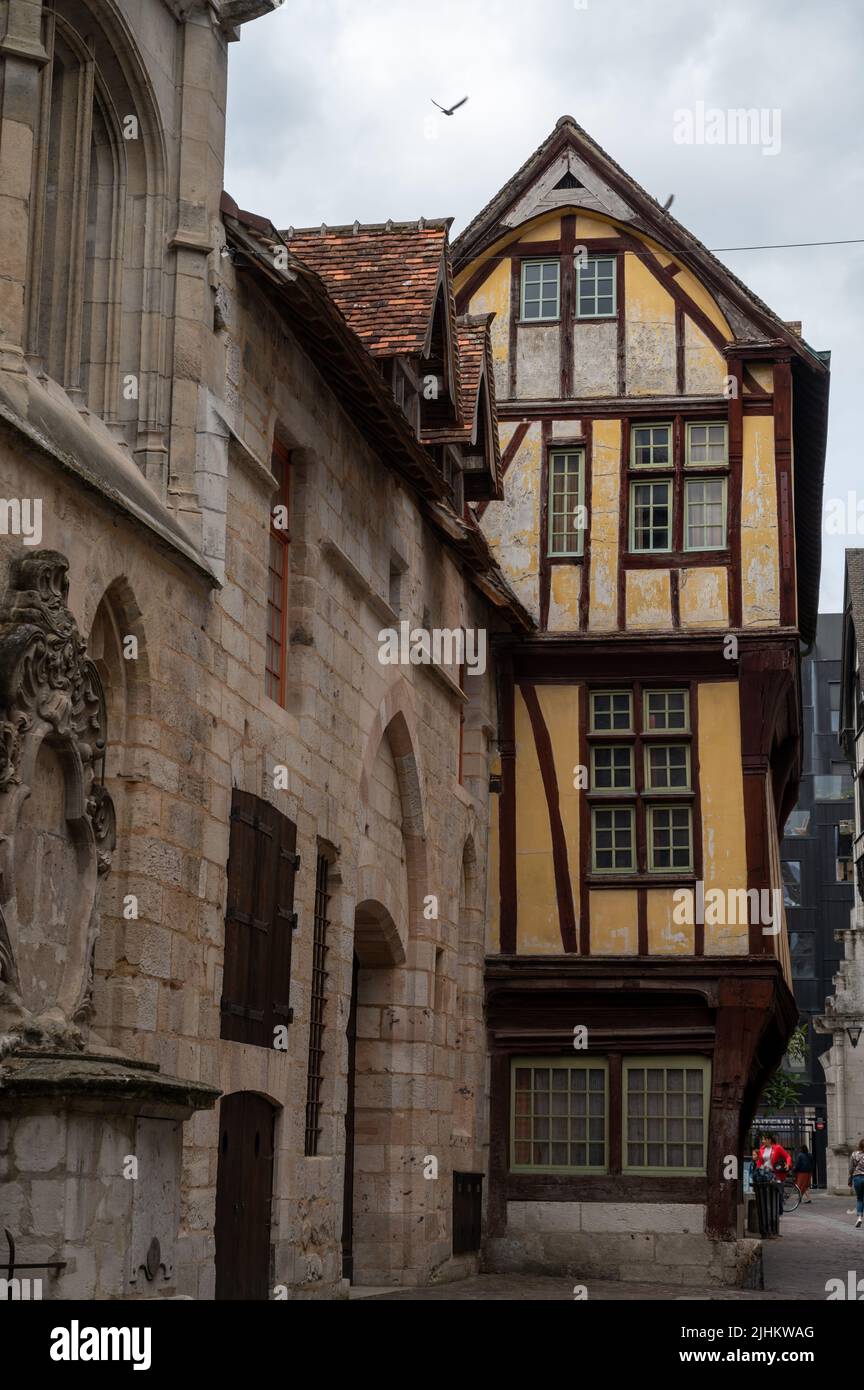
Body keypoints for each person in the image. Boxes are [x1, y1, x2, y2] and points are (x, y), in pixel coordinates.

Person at [848, 1140, 864, 1227]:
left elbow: (851, 1168)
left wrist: (849, 1179)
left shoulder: (854, 1154)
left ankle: (859, 1218)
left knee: (859, 1198)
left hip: (857, 1177)